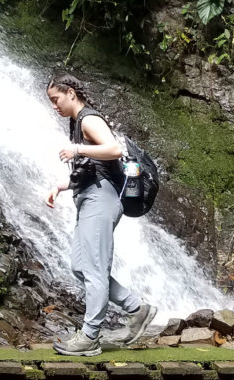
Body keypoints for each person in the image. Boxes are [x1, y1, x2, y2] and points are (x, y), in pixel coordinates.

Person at [45, 72, 156, 356]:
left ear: (71, 93)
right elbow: (93, 168)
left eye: (56, 99)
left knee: (93, 269)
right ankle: (136, 308)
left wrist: (77, 149)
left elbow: (114, 149)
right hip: (90, 196)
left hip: (101, 199)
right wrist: (63, 185)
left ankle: (90, 336)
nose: (54, 106)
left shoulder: (88, 119)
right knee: (80, 267)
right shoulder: (76, 123)